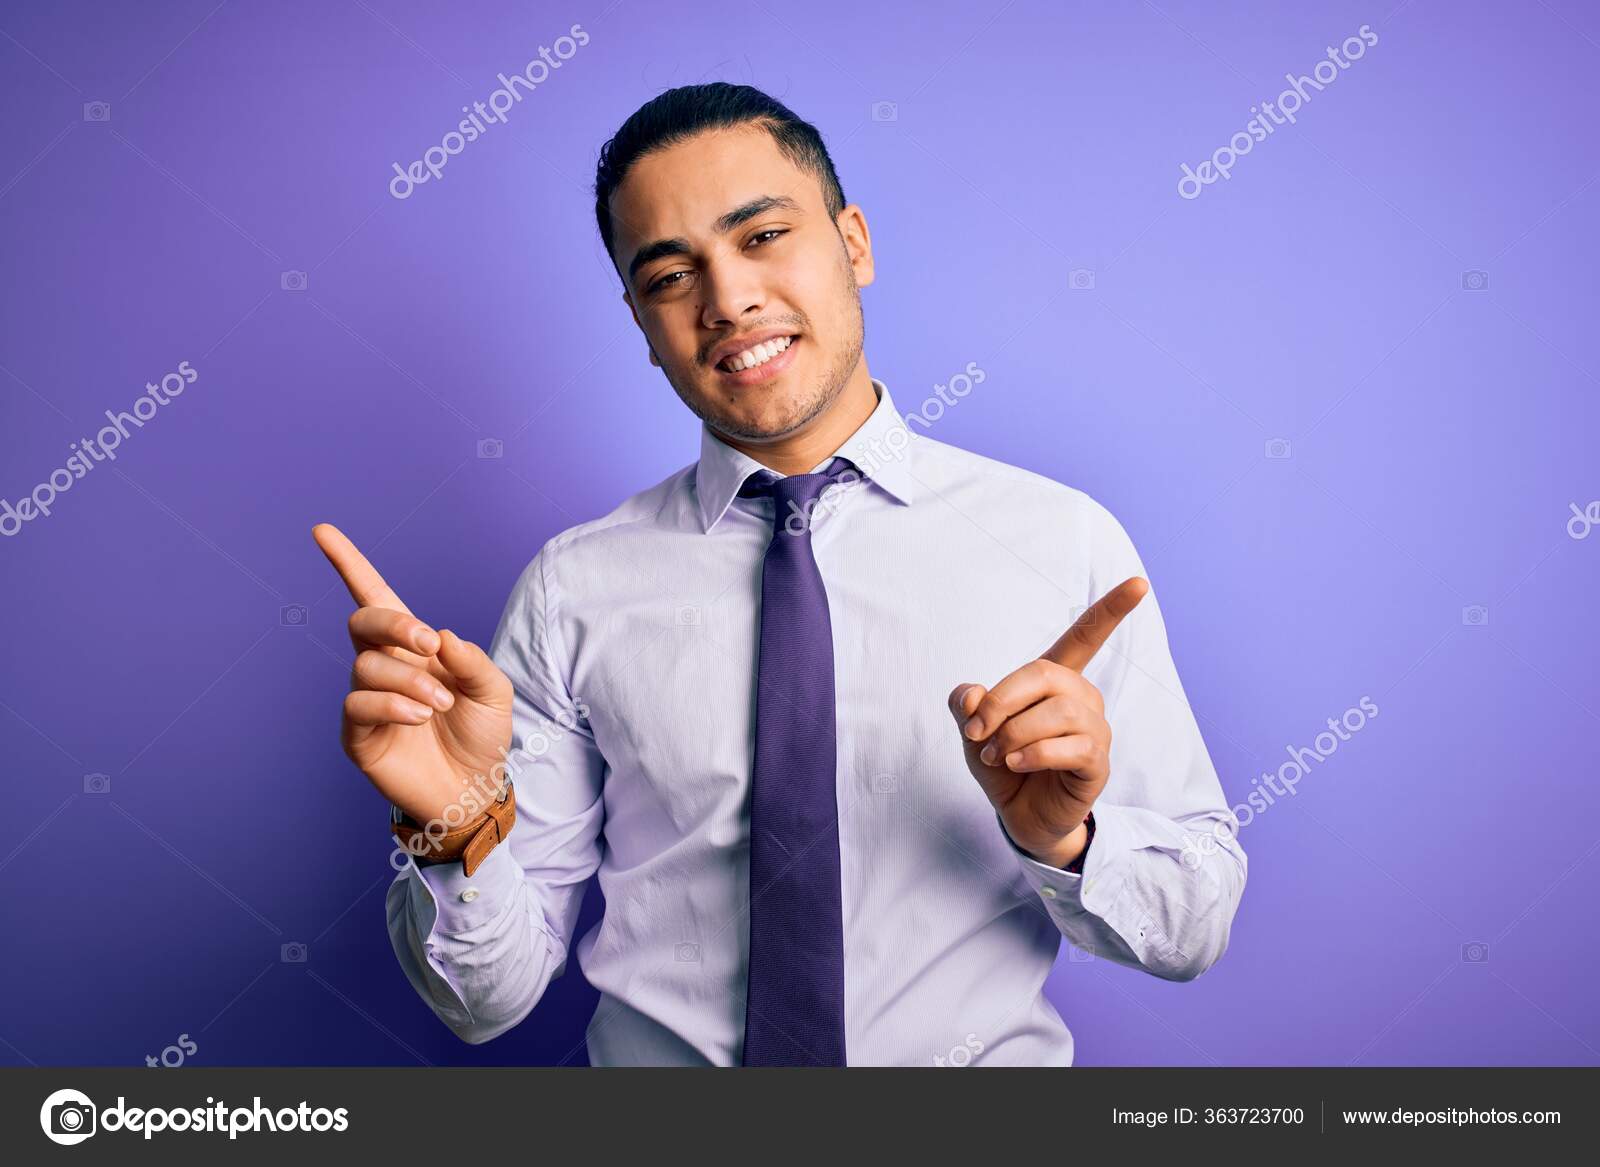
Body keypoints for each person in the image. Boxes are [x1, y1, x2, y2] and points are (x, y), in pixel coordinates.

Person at [313, 82, 1246, 1066]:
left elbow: (1194, 923)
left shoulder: (1059, 541)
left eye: (761, 237)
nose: (728, 300)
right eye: (672, 277)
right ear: (638, 320)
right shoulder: (571, 591)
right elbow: (485, 1004)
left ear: (854, 244)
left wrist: (1068, 843)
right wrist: (453, 828)